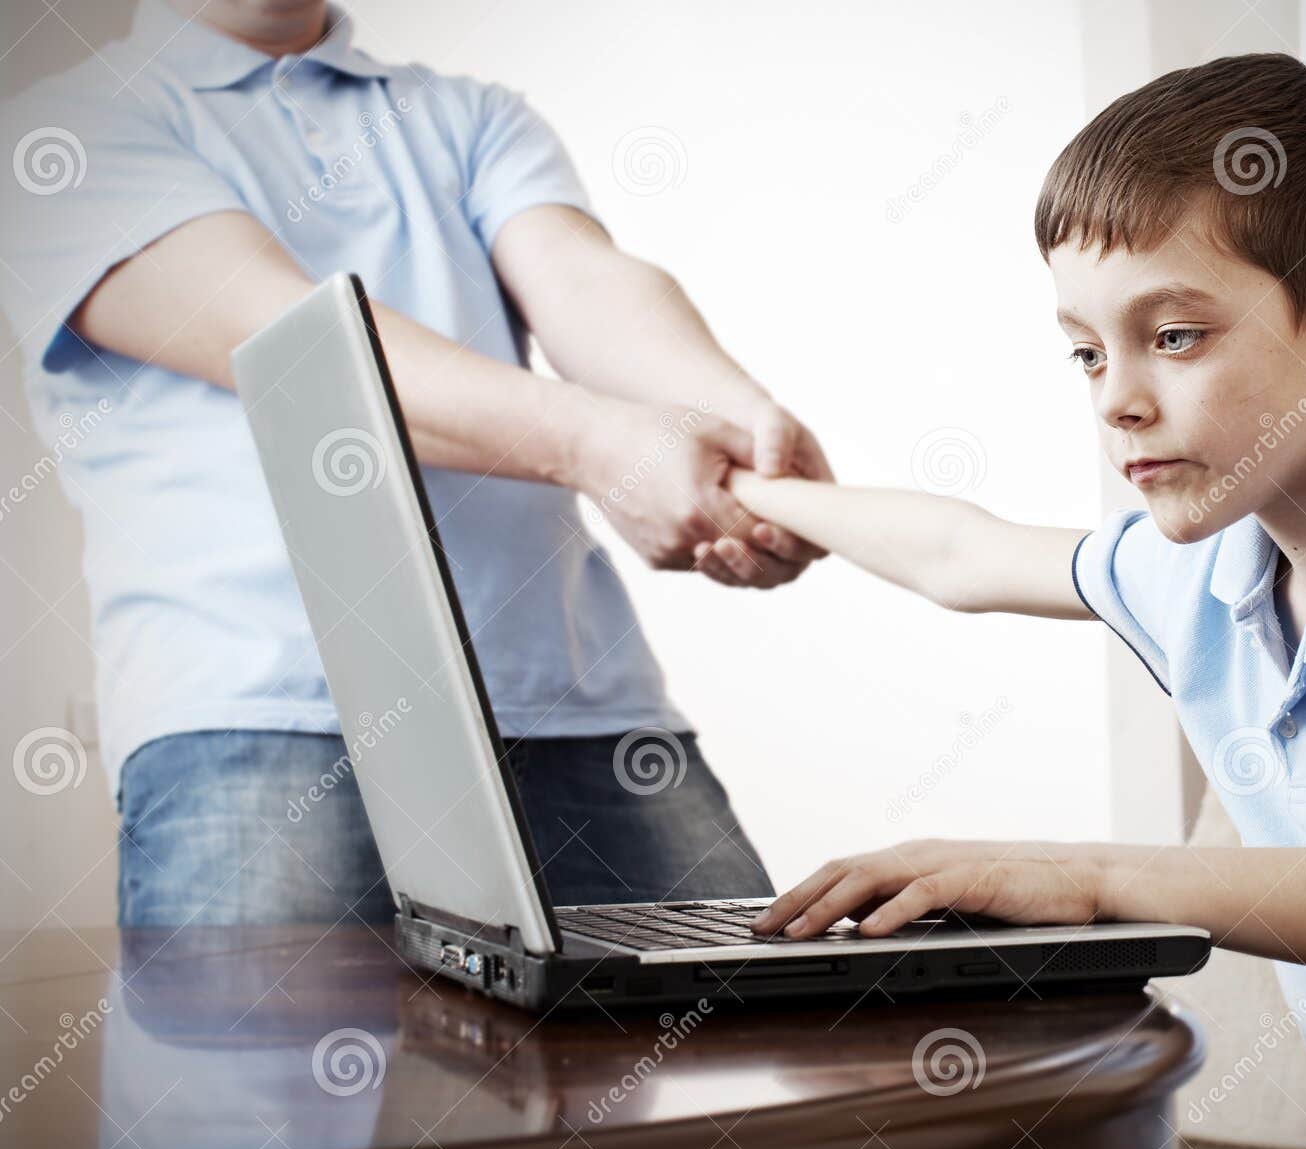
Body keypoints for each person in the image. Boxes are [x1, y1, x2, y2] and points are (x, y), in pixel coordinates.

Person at [728, 54, 1306, 1149]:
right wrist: (754, 494)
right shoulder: (1209, 559)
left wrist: (1088, 877)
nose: (1115, 398)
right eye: (1086, 352)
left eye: (1174, 335)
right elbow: (963, 553)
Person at [0, 1, 831, 925]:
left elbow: (586, 284)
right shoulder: (58, 130)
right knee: (257, 1072)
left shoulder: (468, 114)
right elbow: (294, 349)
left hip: (573, 707)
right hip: (266, 718)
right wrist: (603, 444)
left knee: (734, 1047)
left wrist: (735, 420)